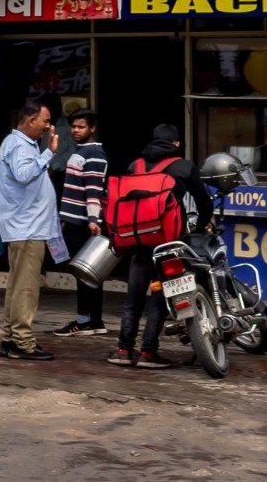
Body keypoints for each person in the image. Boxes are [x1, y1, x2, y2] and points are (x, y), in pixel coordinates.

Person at [107, 124, 214, 369]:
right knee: (159, 296)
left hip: (139, 241)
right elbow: (204, 204)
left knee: (133, 298)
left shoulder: (136, 166)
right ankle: (148, 353)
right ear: (176, 143)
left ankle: (124, 350)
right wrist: (199, 227)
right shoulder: (185, 167)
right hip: (169, 244)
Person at [0, 92, 63, 360]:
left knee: (17, 284)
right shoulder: (20, 146)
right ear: (31, 119)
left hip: (26, 227)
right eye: (45, 122)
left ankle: (12, 338)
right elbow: (24, 175)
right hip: (27, 228)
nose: (48, 126)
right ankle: (22, 342)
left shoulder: (22, 144)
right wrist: (50, 153)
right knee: (26, 287)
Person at [52, 109, 109, 336]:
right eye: (74, 126)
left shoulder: (94, 153)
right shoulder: (81, 151)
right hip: (75, 221)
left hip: (84, 223)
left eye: (81, 126)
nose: (76, 130)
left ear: (92, 128)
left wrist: (93, 220)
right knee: (86, 272)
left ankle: (86, 320)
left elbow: (93, 191)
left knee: (86, 273)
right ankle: (92, 320)